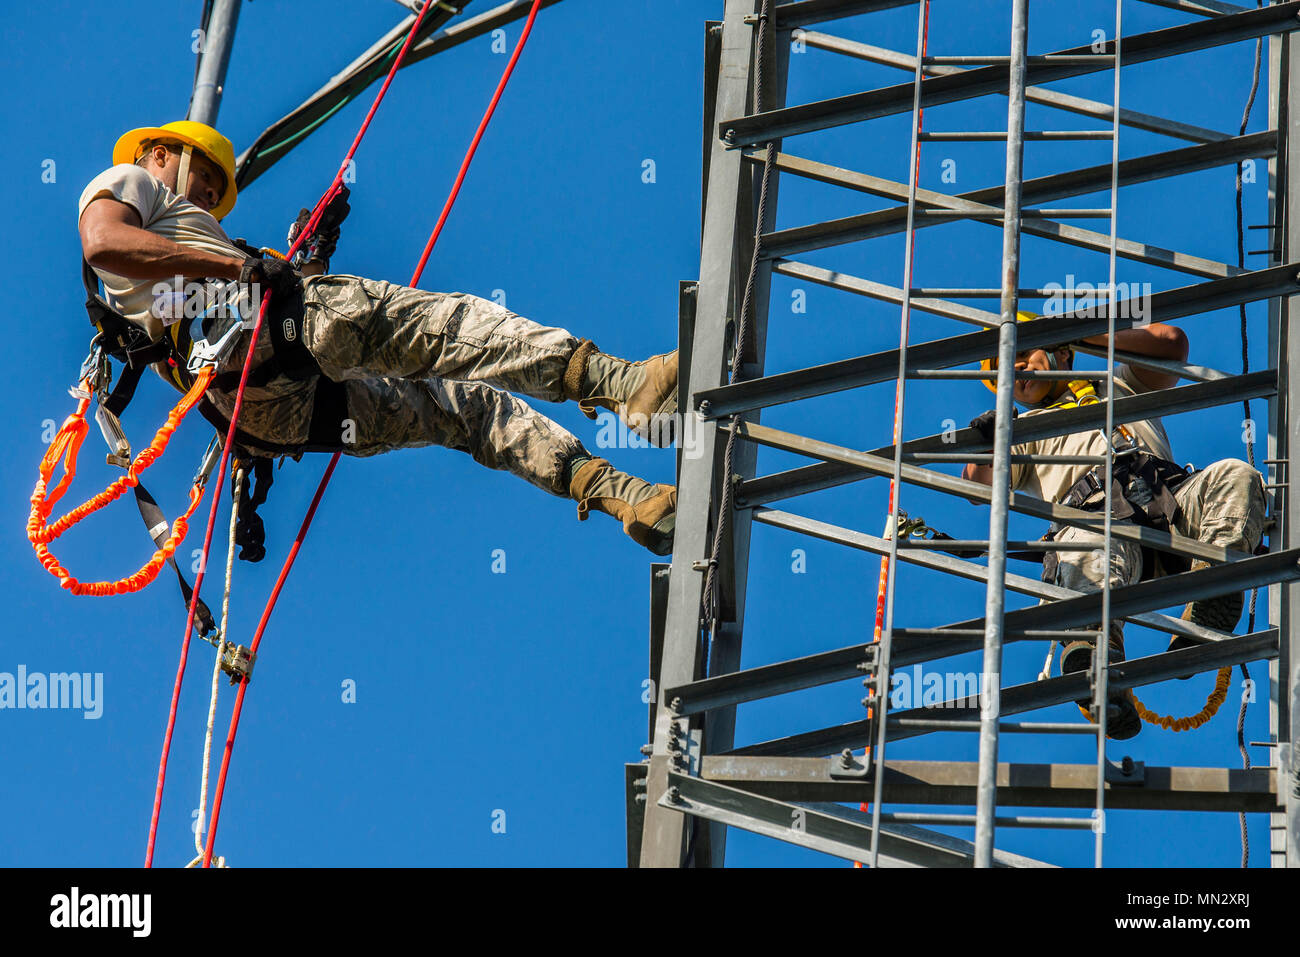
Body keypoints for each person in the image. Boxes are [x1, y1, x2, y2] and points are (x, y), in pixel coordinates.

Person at [76, 121, 679, 555]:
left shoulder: (174, 269)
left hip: (272, 409)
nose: (210, 198)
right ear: (160, 155)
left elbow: (253, 317)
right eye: (206, 181)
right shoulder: (132, 181)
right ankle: (627, 386)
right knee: (447, 329)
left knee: (465, 408)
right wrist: (243, 267)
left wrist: (305, 255)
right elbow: (103, 242)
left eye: (214, 193)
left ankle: (626, 497)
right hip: (259, 345)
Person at [961, 314, 1267, 739]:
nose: (1012, 370)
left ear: (1060, 351)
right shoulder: (1025, 430)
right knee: (1083, 541)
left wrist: (1086, 338)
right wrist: (989, 441)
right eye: (1001, 372)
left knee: (1237, 476)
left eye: (1021, 355)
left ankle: (1212, 587)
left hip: (1171, 511)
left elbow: (1172, 342)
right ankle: (1094, 659)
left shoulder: (1120, 382)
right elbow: (978, 488)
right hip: (1098, 528)